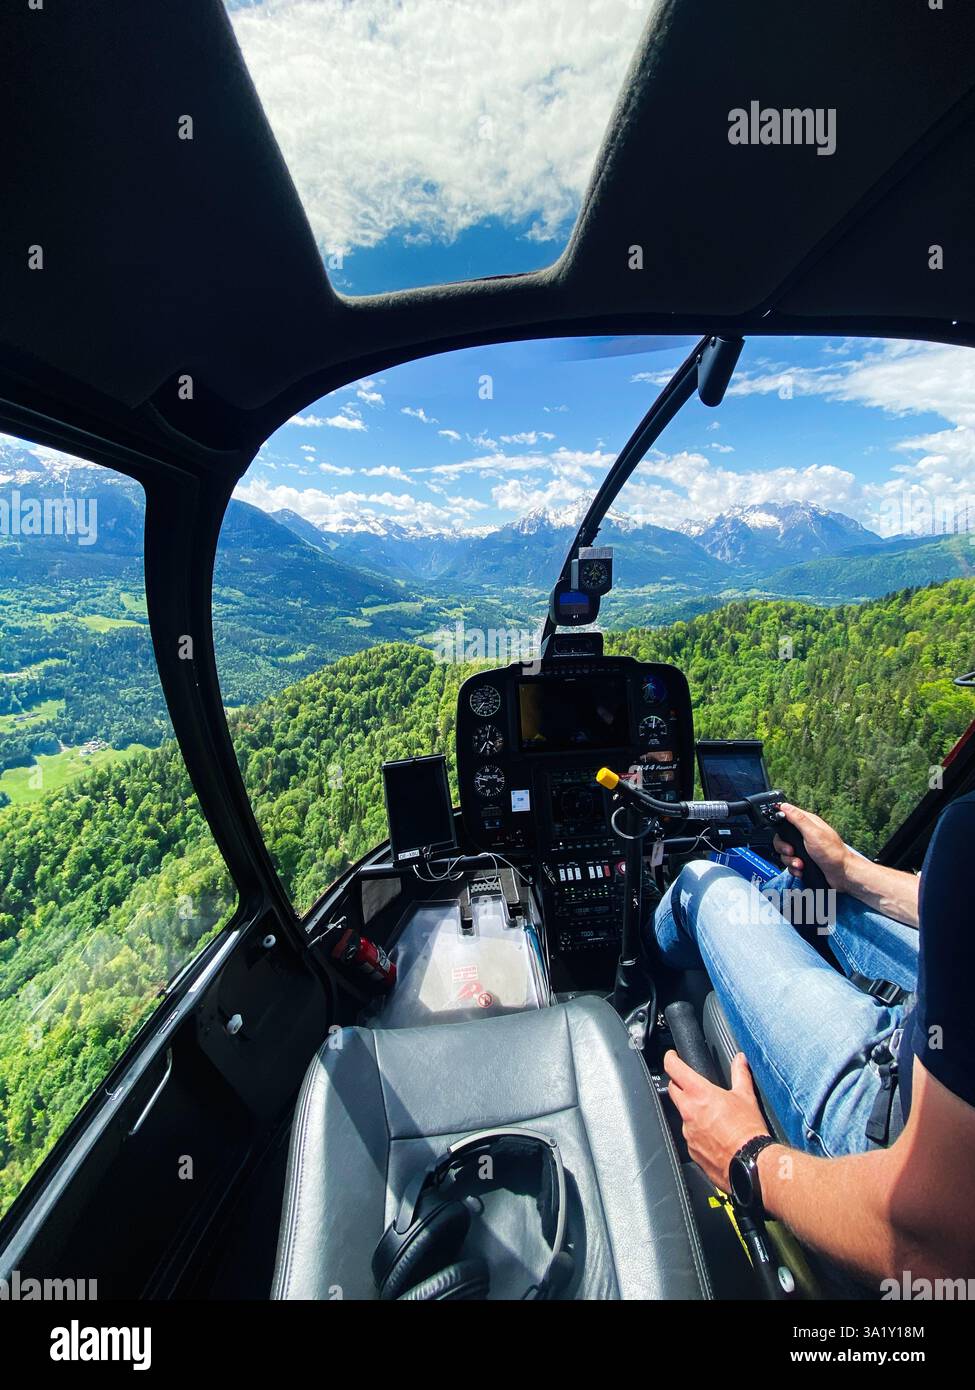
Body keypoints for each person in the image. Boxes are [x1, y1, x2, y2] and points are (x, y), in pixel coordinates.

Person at [651, 797, 975, 1283]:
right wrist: (847, 870)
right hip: (936, 1043)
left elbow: (935, 1248)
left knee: (702, 882)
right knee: (816, 890)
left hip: (891, 1138)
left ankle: (650, 987)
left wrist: (749, 1160)